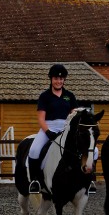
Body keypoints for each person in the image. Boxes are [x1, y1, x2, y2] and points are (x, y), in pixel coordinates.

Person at [25, 64, 85, 195]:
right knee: (34, 150)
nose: (59, 81)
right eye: (56, 79)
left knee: (91, 150)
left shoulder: (70, 95)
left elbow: (74, 114)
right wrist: (48, 132)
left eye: (61, 79)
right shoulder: (45, 96)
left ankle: (88, 180)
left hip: (66, 129)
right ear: (51, 79)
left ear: (64, 80)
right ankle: (35, 181)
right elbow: (41, 118)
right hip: (49, 128)